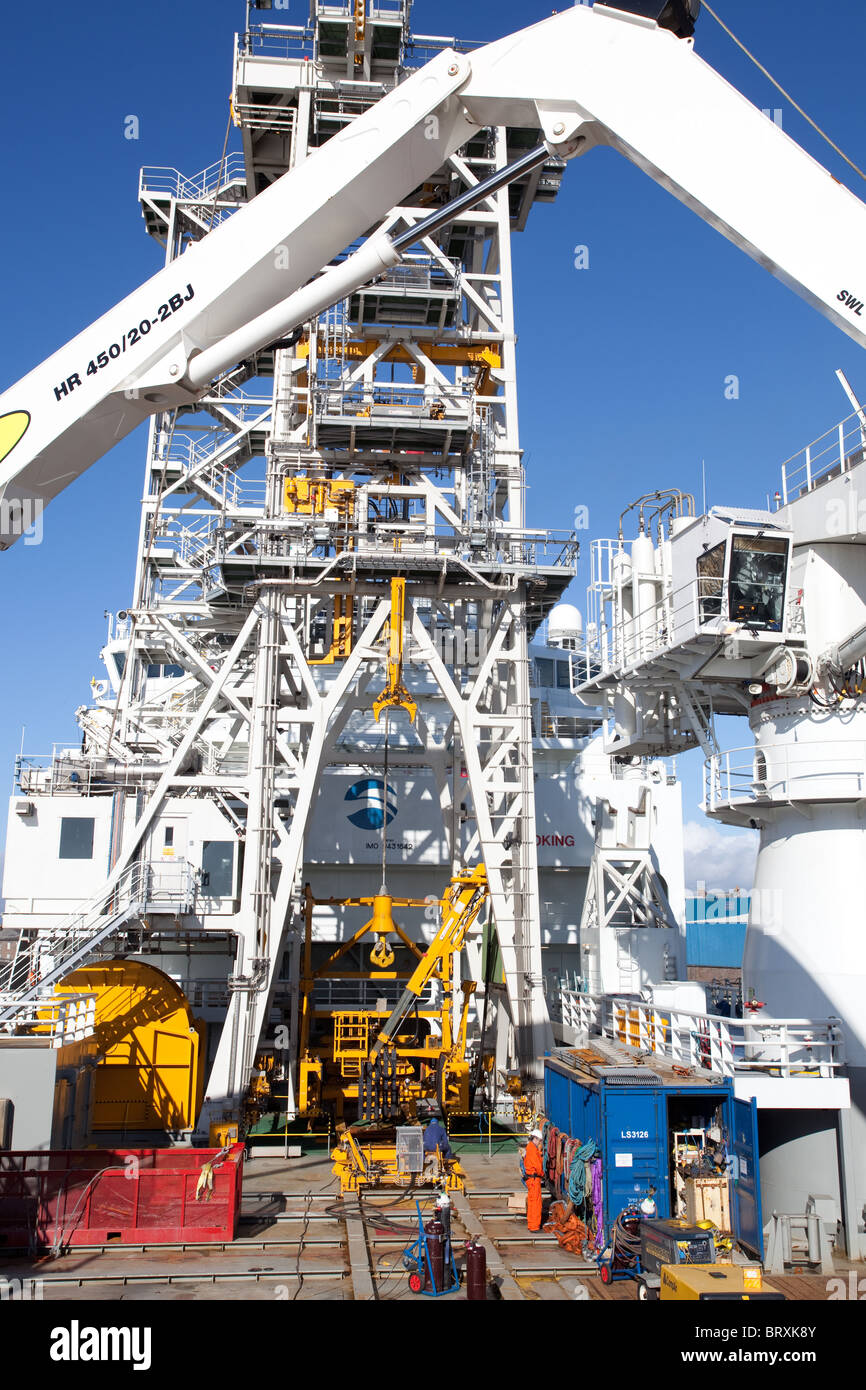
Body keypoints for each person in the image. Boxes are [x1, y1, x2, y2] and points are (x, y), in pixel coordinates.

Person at [523, 1128, 544, 1232]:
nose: (540, 1143)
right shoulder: (532, 1150)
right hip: (534, 1179)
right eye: (539, 1141)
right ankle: (534, 1226)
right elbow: (538, 1167)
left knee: (532, 1203)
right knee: (536, 1203)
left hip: (531, 1179)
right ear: (535, 1138)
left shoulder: (530, 1148)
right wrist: (543, 1174)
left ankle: (531, 1224)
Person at [423, 1110, 454, 1175]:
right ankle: (447, 1161)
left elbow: (424, 1139)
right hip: (437, 1148)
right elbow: (445, 1140)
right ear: (437, 1123)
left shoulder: (426, 1129)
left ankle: (423, 1161)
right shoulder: (441, 1129)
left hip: (426, 1147)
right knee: (448, 1148)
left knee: (422, 1149)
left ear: (431, 1123)